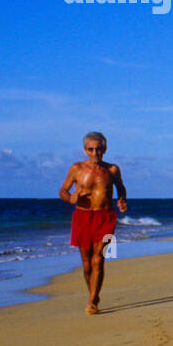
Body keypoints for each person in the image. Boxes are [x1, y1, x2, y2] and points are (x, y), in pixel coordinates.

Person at [59, 131, 128, 314]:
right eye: (91, 149)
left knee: (99, 259)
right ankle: (94, 294)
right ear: (85, 150)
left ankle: (92, 301)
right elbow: (63, 191)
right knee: (87, 264)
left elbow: (121, 188)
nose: (95, 153)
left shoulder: (112, 170)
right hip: (82, 217)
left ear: (104, 149)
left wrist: (122, 200)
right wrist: (70, 198)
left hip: (106, 218)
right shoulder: (76, 168)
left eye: (98, 149)